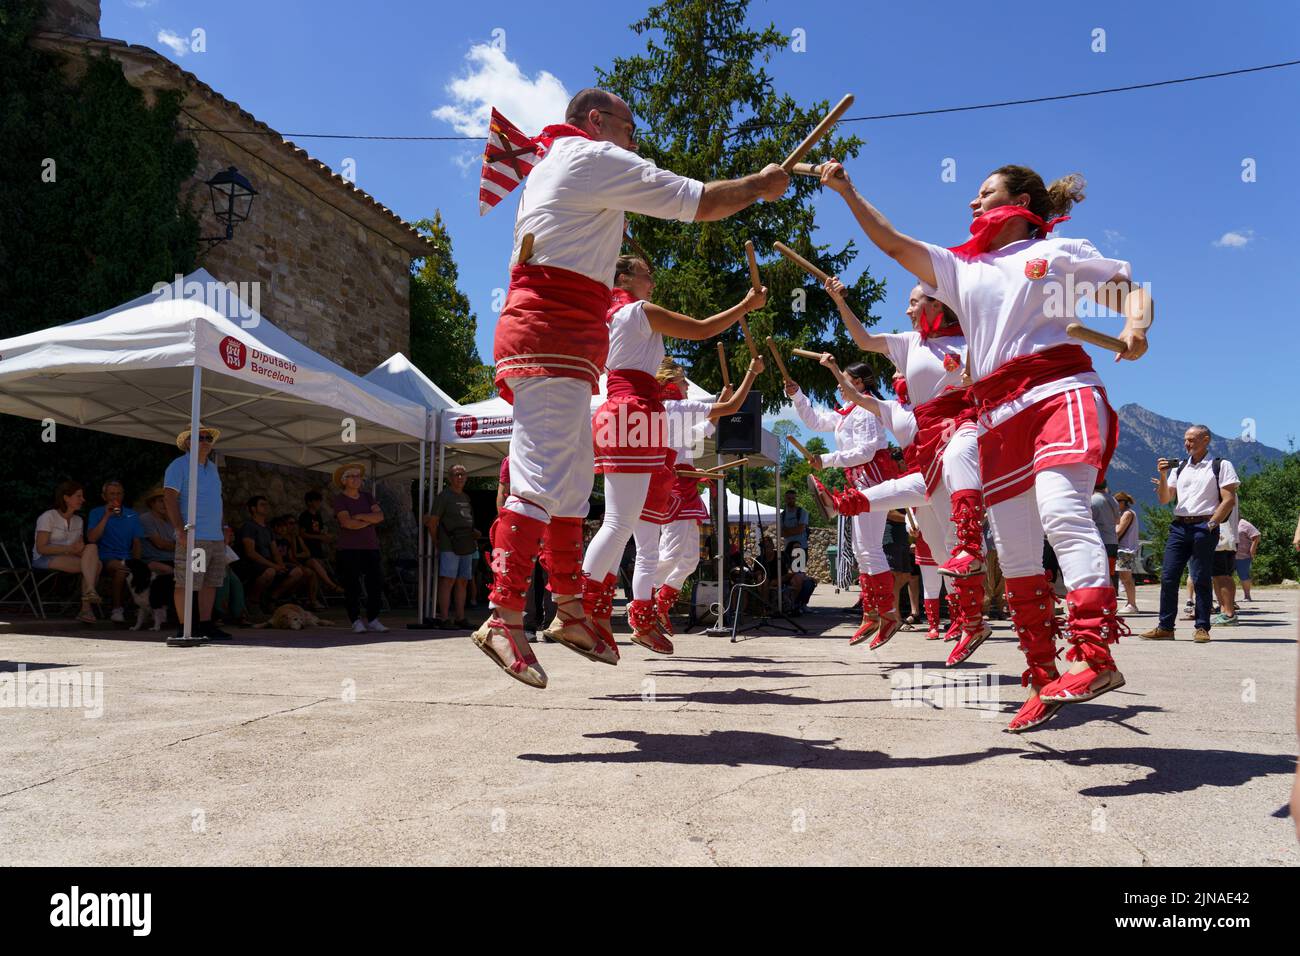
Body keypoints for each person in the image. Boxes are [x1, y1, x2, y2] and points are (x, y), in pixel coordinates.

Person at [819, 158, 1151, 733]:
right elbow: (894, 244)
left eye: (985, 193)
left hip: (1057, 390)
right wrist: (848, 191)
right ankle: (1044, 677)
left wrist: (1135, 328)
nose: (973, 204)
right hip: (997, 414)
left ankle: (1095, 655)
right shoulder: (959, 269)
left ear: (1020, 200)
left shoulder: (1058, 254)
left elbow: (1131, 296)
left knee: (1063, 512)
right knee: (1017, 553)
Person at [478, 87, 789, 690]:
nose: (635, 139)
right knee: (547, 480)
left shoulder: (557, 164)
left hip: (560, 342)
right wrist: (757, 185)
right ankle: (504, 615)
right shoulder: (587, 158)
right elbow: (693, 200)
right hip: (550, 337)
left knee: (570, 488)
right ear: (597, 121)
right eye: (630, 126)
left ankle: (570, 610)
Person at [571, 255, 765, 658]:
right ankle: (581, 610)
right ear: (623, 277)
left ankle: (598, 613)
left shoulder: (608, 317)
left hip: (624, 412)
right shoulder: (637, 311)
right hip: (633, 412)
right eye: (647, 273)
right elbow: (701, 329)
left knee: (625, 529)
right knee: (620, 525)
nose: (653, 280)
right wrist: (746, 305)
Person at [813, 281, 990, 665]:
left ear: (937, 304)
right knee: (936, 545)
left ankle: (970, 617)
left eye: (913, 302)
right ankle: (841, 504)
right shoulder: (906, 376)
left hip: (955, 455)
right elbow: (862, 352)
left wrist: (975, 374)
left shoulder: (972, 340)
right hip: (926, 469)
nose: (907, 310)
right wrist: (840, 300)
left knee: (947, 550)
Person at [635, 355, 761, 640]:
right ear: (671, 383)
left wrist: (718, 406)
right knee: (671, 553)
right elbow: (732, 408)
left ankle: (658, 604)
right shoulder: (674, 407)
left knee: (690, 559)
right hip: (674, 485)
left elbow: (702, 429)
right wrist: (751, 373)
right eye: (684, 383)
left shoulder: (670, 411)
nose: (688, 388)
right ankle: (643, 600)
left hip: (681, 484)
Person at [786, 359, 898, 647]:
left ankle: (887, 613)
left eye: (843, 379)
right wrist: (798, 395)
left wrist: (827, 460)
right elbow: (815, 421)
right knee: (862, 549)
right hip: (861, 483)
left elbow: (867, 450)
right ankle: (872, 613)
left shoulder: (869, 409)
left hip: (874, 482)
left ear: (858, 383)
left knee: (869, 548)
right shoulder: (848, 412)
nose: (838, 385)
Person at [1140, 426, 1239, 643]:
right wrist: (1163, 475)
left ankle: (1202, 627)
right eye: (1185, 440)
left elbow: (1229, 499)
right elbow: (1165, 499)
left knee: (1201, 577)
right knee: (1168, 577)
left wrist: (1212, 524)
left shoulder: (1221, 465)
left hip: (1204, 526)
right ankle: (1166, 627)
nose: (1187, 444)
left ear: (1206, 440)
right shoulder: (1180, 466)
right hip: (1179, 526)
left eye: (1192, 439)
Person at [163, 426, 229, 644]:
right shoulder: (179, 465)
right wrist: (180, 529)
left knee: (211, 581)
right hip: (194, 534)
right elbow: (169, 498)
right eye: (200, 438)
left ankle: (206, 625)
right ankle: (184, 627)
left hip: (215, 537)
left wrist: (224, 527)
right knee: (186, 581)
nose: (205, 441)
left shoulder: (212, 468)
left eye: (208, 438)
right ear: (188, 443)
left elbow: (215, 500)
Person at [32, 480, 102, 624]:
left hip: (70, 557)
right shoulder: (48, 517)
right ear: (66, 498)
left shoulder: (78, 521)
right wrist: (69, 549)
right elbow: (41, 548)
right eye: (79, 496)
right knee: (95, 566)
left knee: (92, 549)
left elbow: (79, 548)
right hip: (45, 557)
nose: (83, 500)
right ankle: (86, 608)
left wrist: (79, 549)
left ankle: (89, 591)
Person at [331, 463, 387, 634]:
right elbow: (346, 523)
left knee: (375, 584)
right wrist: (370, 520)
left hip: (370, 547)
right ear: (344, 480)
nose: (357, 479)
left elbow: (380, 516)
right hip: (349, 549)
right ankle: (355, 620)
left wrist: (361, 517)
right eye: (352, 476)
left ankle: (373, 618)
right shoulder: (340, 500)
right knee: (352, 586)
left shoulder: (368, 497)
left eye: (358, 476)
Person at [426, 464, 479, 630]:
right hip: (449, 545)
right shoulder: (443, 496)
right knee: (448, 580)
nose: (460, 477)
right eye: (456, 474)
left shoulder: (466, 497)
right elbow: (432, 522)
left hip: (466, 544)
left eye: (462, 474)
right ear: (449, 478)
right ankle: (444, 618)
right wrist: (437, 542)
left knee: (463, 581)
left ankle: (460, 617)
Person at [86, 479, 143, 624]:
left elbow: (137, 542)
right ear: (104, 496)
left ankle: (121, 609)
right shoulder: (96, 513)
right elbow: (92, 538)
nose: (115, 497)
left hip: (126, 557)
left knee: (124, 571)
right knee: (122, 568)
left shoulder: (132, 515)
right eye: (111, 494)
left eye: (118, 494)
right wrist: (106, 516)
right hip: (105, 557)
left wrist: (137, 563)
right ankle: (119, 608)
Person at [239, 496, 305, 612]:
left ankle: (272, 597)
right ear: (253, 509)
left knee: (297, 571)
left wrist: (281, 565)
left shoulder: (268, 529)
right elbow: (250, 553)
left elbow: (275, 551)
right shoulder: (249, 526)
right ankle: (253, 600)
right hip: (253, 564)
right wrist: (274, 566)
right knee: (269, 572)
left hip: (269, 562)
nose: (266, 507)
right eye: (262, 505)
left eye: (266, 504)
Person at [298, 490, 343, 594]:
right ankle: (332, 586)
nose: (319, 503)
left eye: (319, 501)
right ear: (309, 502)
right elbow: (302, 534)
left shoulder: (318, 516)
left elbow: (320, 531)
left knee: (317, 574)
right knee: (314, 572)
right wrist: (319, 537)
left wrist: (326, 536)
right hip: (308, 549)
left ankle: (314, 599)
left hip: (317, 549)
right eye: (316, 501)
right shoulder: (304, 516)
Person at [780, 489, 811, 611]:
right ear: (785, 499)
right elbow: (782, 532)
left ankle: (800, 603)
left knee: (799, 576)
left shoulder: (802, 512)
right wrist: (794, 529)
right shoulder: (782, 515)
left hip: (800, 549)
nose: (791, 501)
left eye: (793, 498)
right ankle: (792, 602)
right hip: (788, 549)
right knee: (790, 576)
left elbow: (800, 529)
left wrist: (788, 531)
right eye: (788, 498)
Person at [213, 524, 249, 628]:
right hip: (207, 557)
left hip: (222, 560)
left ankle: (240, 615)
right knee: (224, 577)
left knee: (236, 582)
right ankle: (217, 615)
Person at [137, 488, 177, 576]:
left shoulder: (171, 520)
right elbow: (160, 544)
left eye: (167, 502)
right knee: (173, 572)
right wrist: (179, 546)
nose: (165, 505)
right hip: (154, 560)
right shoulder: (146, 519)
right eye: (161, 501)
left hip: (173, 559)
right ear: (152, 503)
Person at [1091, 478, 1121, 587]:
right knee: (1109, 575)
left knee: (1097, 574)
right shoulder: (1113, 500)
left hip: (1099, 541)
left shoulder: (1092, 500)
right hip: (1112, 541)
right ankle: (1110, 600)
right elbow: (1118, 521)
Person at [1114, 491, 1140, 614]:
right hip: (1124, 549)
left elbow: (1118, 531)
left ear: (1122, 502)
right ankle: (1130, 603)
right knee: (1124, 577)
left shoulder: (1127, 514)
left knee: (1126, 577)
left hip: (1125, 549)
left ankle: (1132, 604)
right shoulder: (1124, 513)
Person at [1234, 516, 1261, 603]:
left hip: (1243, 555)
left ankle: (1247, 595)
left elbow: (1256, 535)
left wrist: (1252, 550)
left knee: (1244, 575)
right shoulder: (1226, 522)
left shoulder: (1244, 523)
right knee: (1225, 576)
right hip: (1228, 554)